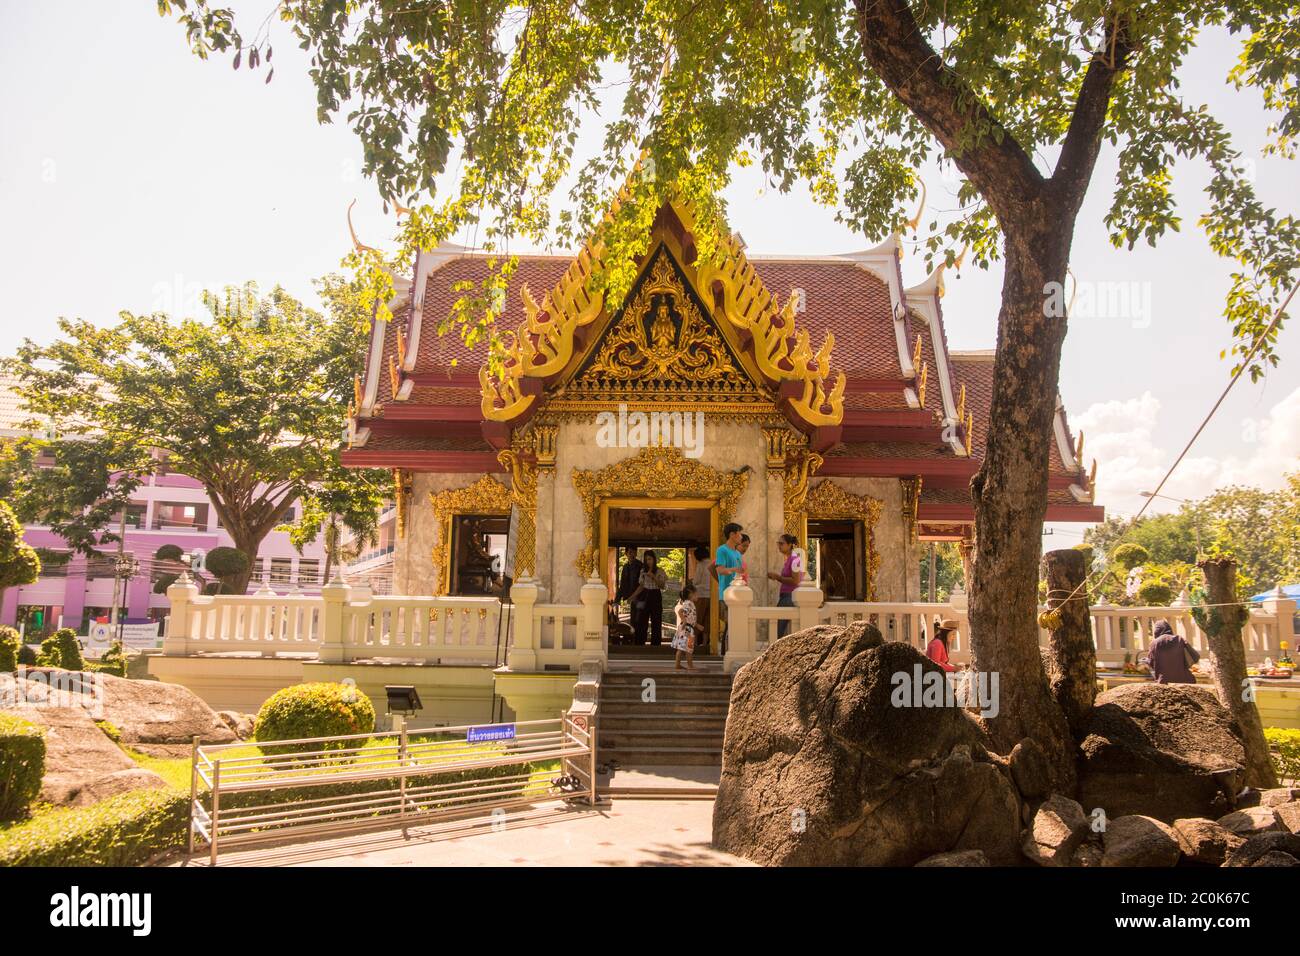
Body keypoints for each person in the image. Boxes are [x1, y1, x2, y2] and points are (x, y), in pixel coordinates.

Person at [713, 524, 745, 654]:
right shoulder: (722, 550)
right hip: (726, 594)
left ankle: (733, 651)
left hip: (738, 594)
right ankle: (726, 653)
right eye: (739, 533)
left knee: (736, 624)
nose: (741, 536)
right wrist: (733, 570)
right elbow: (720, 570)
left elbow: (739, 572)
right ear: (732, 534)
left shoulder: (738, 553)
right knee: (729, 624)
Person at [767, 533, 804, 639]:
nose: (779, 546)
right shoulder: (789, 559)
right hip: (785, 596)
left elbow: (796, 580)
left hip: (789, 597)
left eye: (781, 544)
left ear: (789, 545)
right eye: (778, 543)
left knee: (778, 629)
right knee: (779, 628)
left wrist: (777, 577)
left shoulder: (795, 559)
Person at [629, 550, 667, 646]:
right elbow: (641, 586)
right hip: (644, 595)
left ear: (654, 559)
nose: (648, 562)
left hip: (655, 595)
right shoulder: (642, 571)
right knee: (642, 620)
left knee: (656, 620)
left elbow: (662, 586)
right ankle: (640, 643)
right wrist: (632, 597)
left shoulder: (660, 571)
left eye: (650, 559)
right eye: (646, 560)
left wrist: (653, 576)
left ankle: (655, 644)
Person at [1143, 618, 1199, 684]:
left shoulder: (1154, 643)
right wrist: (1185, 664)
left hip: (1164, 681)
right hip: (1185, 679)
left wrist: (1145, 661)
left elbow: (1152, 663)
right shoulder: (1179, 639)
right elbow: (1195, 656)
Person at [689, 545, 712, 652]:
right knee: (708, 620)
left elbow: (696, 581)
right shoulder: (713, 564)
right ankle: (705, 643)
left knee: (697, 619)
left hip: (701, 595)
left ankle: (692, 643)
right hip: (712, 596)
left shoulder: (701, 565)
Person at [672, 583, 699, 671]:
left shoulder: (688, 603)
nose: (698, 595)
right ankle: (690, 665)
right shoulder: (689, 603)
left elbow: (690, 617)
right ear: (691, 594)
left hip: (686, 628)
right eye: (696, 593)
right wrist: (684, 621)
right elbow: (680, 611)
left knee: (681, 648)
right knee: (688, 649)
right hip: (687, 629)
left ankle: (677, 664)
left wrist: (697, 625)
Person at [616, 545, 643, 610]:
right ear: (626, 554)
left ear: (636, 553)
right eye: (630, 552)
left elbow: (642, 585)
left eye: (634, 552)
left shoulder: (641, 566)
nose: (632, 555)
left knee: (639, 618)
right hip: (631, 598)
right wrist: (617, 599)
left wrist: (632, 597)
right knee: (634, 618)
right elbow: (622, 584)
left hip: (640, 597)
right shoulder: (625, 567)